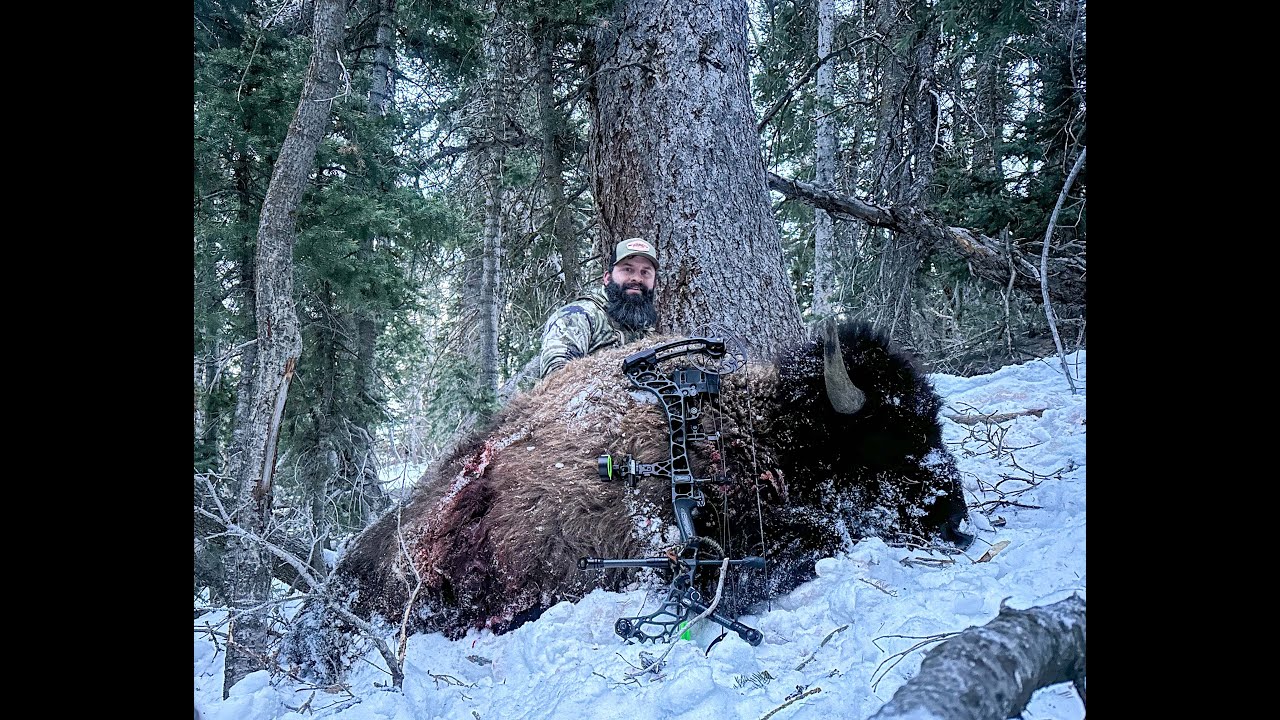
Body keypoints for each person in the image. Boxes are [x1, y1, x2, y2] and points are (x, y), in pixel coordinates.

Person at [538, 237, 660, 379]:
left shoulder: (645, 329)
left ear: (654, 283)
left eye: (645, 272)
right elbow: (556, 381)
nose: (637, 279)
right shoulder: (577, 317)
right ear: (607, 278)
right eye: (628, 269)